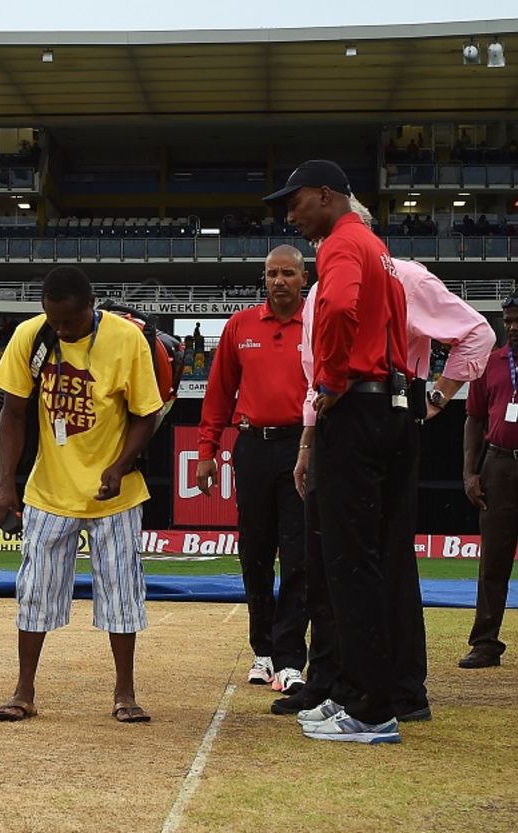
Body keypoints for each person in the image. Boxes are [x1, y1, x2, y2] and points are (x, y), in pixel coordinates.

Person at [279, 196, 493, 724]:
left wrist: (437, 397)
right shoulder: (333, 277)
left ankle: (397, 688)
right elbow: (314, 366)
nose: (299, 224)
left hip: (377, 407)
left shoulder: (404, 275)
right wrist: (307, 441)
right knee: (331, 557)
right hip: (336, 416)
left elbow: (477, 333)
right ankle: (334, 679)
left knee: (382, 559)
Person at [265, 159, 409, 744]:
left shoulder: (343, 245)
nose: (291, 215)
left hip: (356, 407)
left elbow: (344, 308)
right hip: (381, 403)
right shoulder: (372, 246)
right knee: (353, 563)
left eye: (296, 203)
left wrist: (331, 381)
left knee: (351, 566)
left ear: (326, 196)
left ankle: (372, 710)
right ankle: (354, 692)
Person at [0, 265, 164, 723]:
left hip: (115, 494)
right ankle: (23, 690)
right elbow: (12, 413)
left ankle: (125, 693)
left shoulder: (125, 339)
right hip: (50, 491)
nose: (62, 330)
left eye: (71, 322)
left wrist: (120, 466)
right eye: (54, 321)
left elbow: (147, 413)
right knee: (35, 592)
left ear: (92, 307)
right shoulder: (32, 336)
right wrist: (6, 482)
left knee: (122, 596)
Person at [197, 245, 309, 694]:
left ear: (304, 277)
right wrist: (207, 450)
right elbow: (219, 393)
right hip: (254, 448)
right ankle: (262, 652)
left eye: (287, 273)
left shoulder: (317, 324)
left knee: (299, 557)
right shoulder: (239, 325)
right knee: (256, 554)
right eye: (270, 274)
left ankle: (290, 658)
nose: (278, 281)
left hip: (302, 448)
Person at [459, 294, 518, 669]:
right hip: (500, 466)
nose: (512, 327)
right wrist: (470, 471)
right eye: (508, 320)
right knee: (493, 557)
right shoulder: (491, 363)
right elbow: (474, 419)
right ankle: (485, 643)